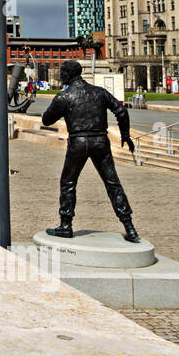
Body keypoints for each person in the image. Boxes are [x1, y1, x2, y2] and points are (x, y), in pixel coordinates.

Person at [39, 60, 141, 243]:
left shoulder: (64, 97)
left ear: (69, 74)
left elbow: (46, 120)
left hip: (78, 142)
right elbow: (122, 111)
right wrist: (125, 134)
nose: (61, 76)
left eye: (63, 72)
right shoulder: (99, 92)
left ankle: (66, 225)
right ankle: (130, 227)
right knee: (112, 183)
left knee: (68, 182)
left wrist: (58, 107)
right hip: (100, 141)